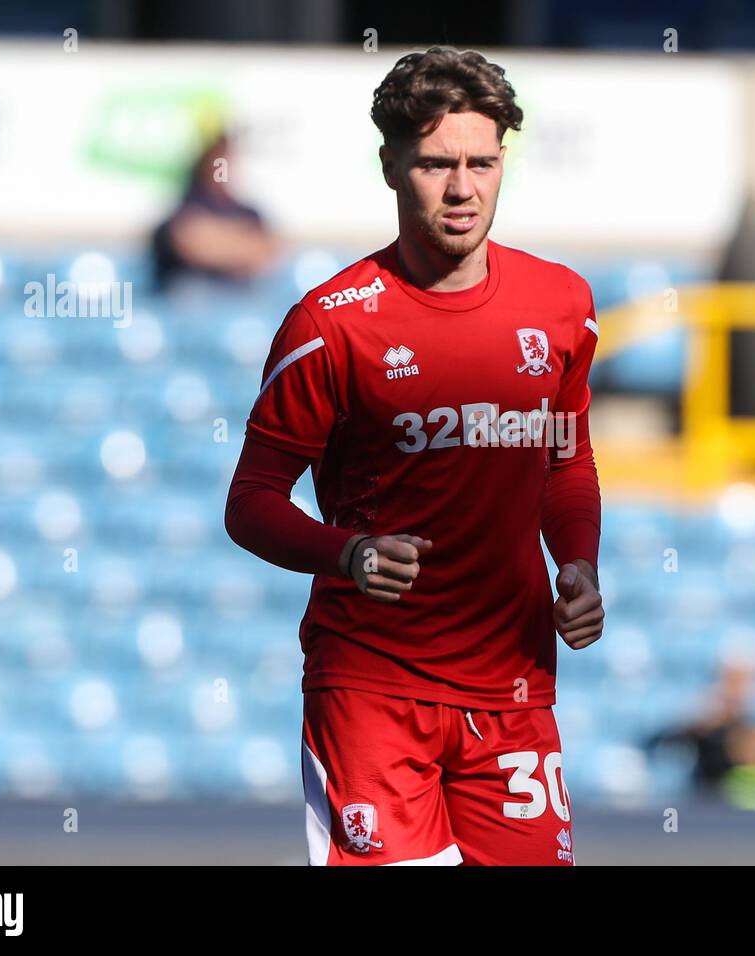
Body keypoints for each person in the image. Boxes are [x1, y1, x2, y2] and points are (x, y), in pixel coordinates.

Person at [224, 47, 604, 866]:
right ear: (392, 167)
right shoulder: (331, 325)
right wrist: (349, 554)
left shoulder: (563, 304)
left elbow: (566, 460)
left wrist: (578, 564)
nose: (462, 187)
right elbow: (250, 502)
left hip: (513, 690)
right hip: (373, 689)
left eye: (482, 162)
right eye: (436, 163)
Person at [151, 130, 281, 290]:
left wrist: (217, 242)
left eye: (227, 160)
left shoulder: (249, 213)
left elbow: (268, 252)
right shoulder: (185, 209)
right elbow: (190, 244)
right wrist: (241, 244)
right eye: (217, 160)